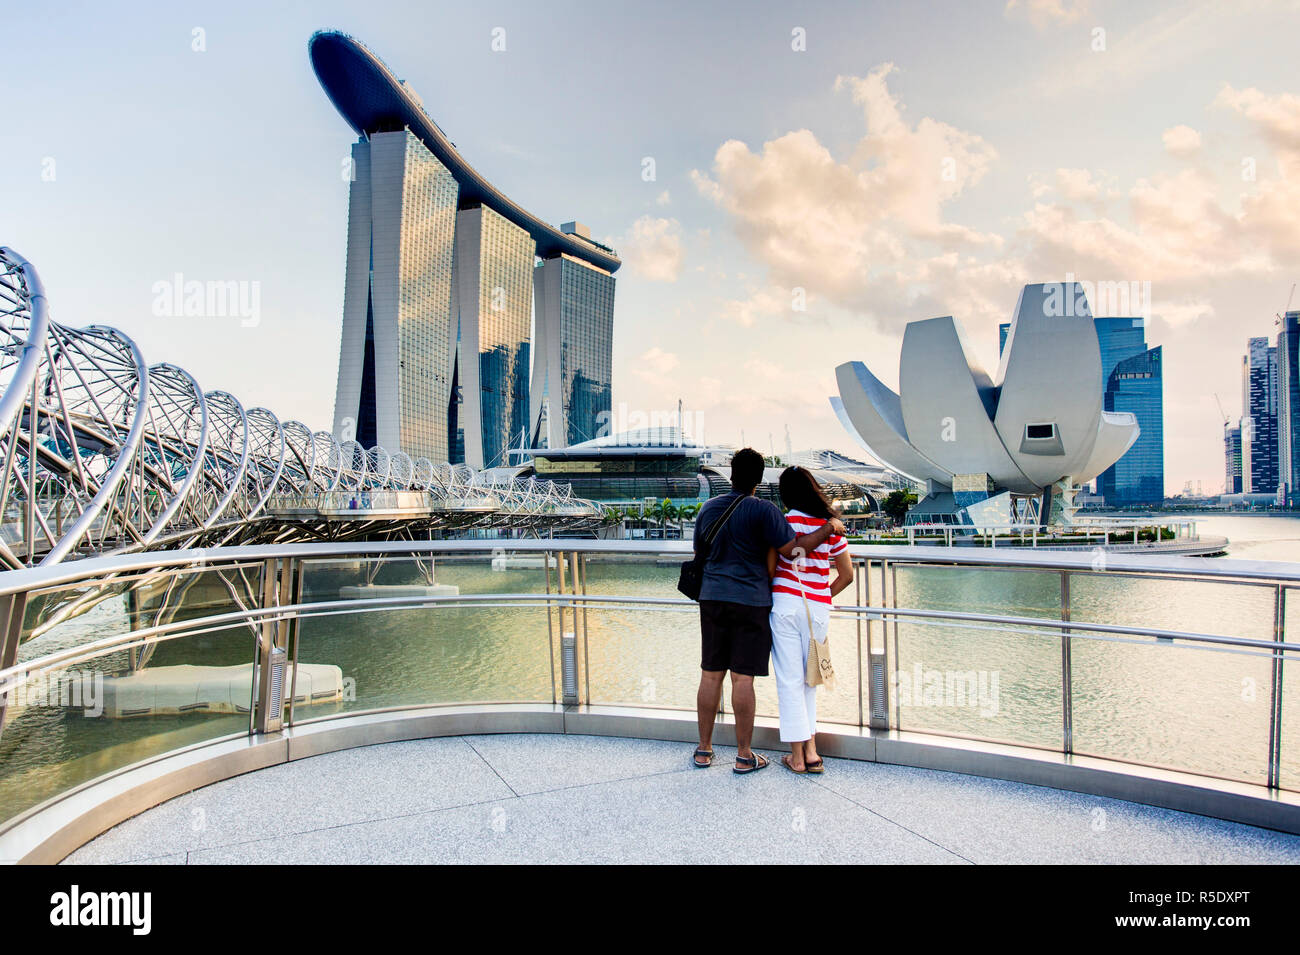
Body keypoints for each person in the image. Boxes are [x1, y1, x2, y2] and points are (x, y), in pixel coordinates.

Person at [692, 449, 846, 774]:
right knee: (742, 678)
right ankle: (744, 755)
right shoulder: (765, 511)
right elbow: (795, 551)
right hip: (750, 601)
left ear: (731, 474)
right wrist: (828, 529)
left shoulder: (707, 508)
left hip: (712, 598)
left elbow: (699, 552)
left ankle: (704, 750)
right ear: (759, 480)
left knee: (710, 674)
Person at [767, 466, 854, 774]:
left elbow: (775, 563)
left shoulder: (784, 521)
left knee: (789, 680)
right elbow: (847, 576)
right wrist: (821, 595)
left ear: (786, 494)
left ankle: (797, 757)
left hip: (786, 604)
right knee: (810, 679)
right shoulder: (831, 525)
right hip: (817, 608)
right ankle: (813, 751)